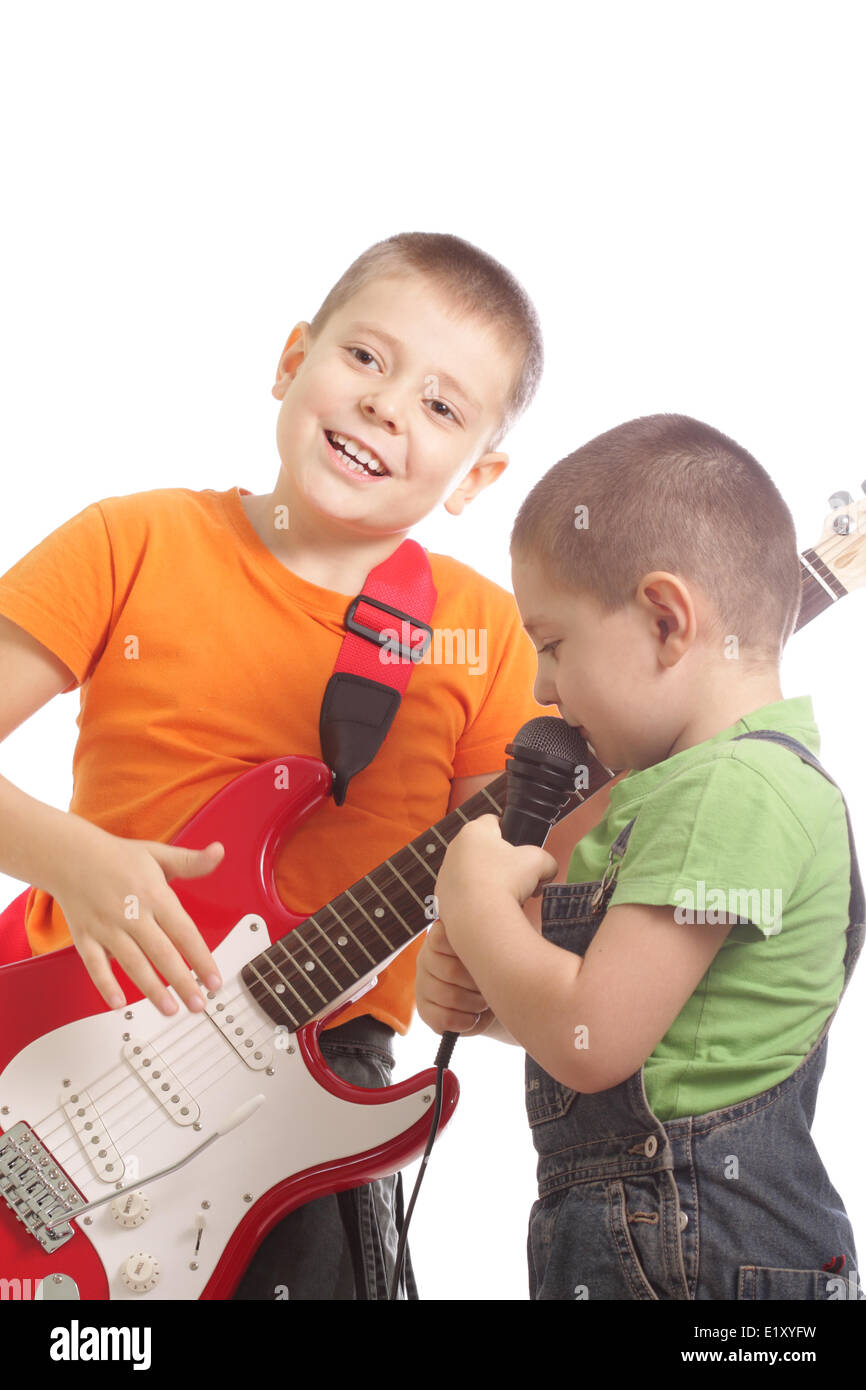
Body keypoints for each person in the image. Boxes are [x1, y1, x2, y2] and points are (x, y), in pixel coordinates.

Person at [0, 231, 611, 1299]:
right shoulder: (130, 539)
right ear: (292, 361)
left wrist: (494, 962)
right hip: (49, 1052)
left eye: (441, 406)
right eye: (366, 358)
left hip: (306, 1096)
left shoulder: (489, 632)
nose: (385, 406)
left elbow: (510, 885)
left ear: (477, 476)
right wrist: (75, 860)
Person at [418, 413, 864, 1301]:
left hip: (697, 1249)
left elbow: (594, 1041)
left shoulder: (732, 789)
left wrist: (472, 906)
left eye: (552, 645)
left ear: (666, 621)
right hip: (653, 1239)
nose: (540, 686)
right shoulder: (675, 796)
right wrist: (487, 999)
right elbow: (633, 1025)